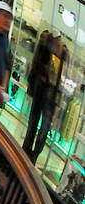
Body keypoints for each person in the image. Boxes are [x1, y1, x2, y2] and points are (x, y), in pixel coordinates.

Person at [23, 28, 67, 163]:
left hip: (42, 87)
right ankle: (32, 155)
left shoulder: (47, 42)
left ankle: (28, 151)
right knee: (43, 124)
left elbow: (36, 64)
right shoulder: (61, 49)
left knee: (36, 121)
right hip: (49, 90)